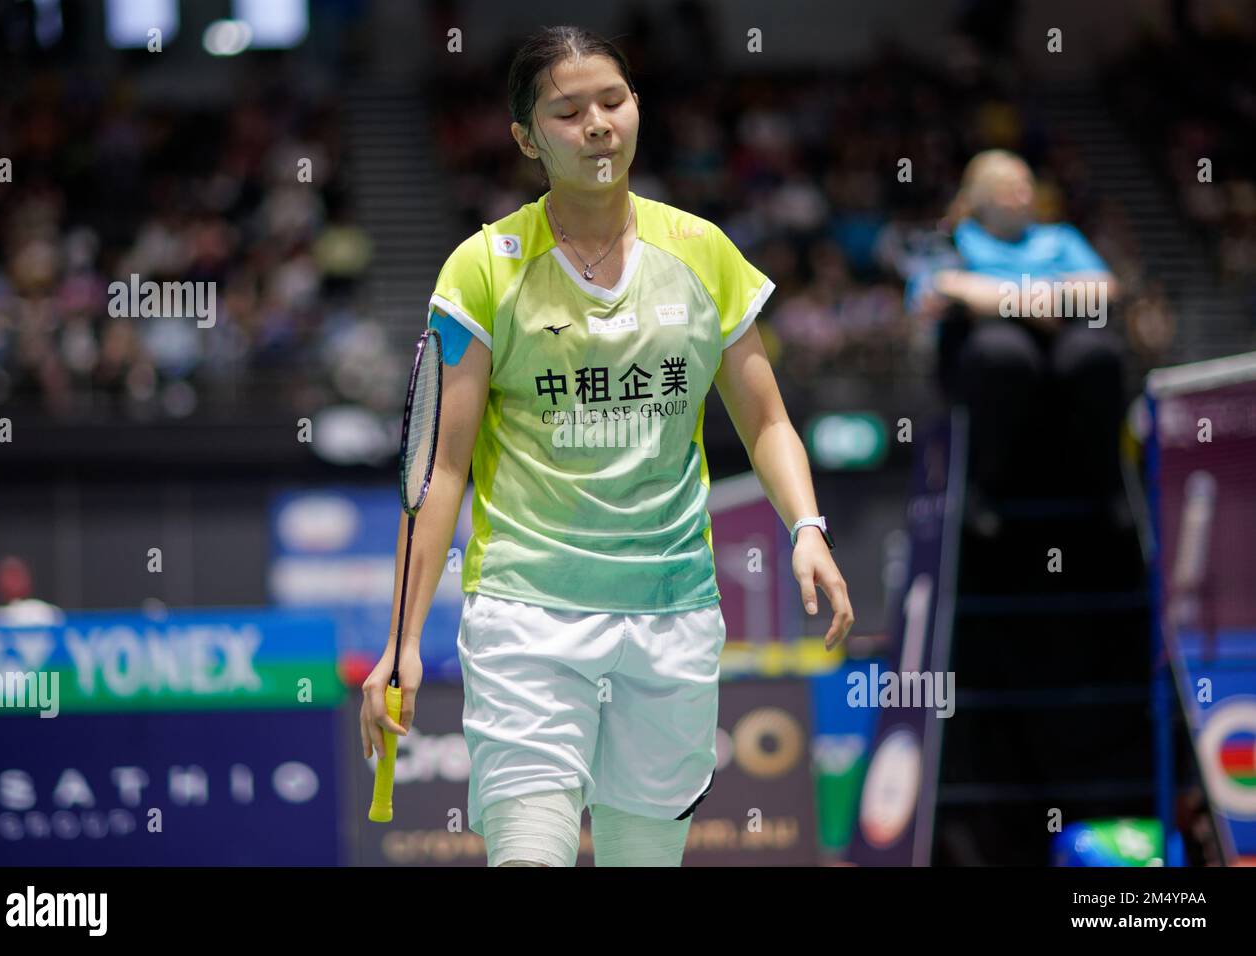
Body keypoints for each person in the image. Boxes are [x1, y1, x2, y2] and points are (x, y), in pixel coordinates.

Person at [358, 25, 854, 867]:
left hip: (673, 612)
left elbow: (766, 420)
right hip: (527, 609)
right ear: (525, 137)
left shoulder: (701, 253)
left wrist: (807, 527)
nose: (597, 124)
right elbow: (436, 468)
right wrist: (401, 639)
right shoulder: (483, 271)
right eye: (567, 110)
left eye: (614, 101)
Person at [911, 149, 1128, 520]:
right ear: (980, 198)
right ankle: (987, 492)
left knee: (1097, 354)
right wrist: (1042, 301)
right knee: (1003, 354)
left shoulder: (1060, 237)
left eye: (1028, 186)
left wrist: (995, 295)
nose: (1024, 195)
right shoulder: (952, 241)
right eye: (1009, 188)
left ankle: (1104, 488)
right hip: (990, 352)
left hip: (1063, 343)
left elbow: (1105, 289)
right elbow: (937, 292)